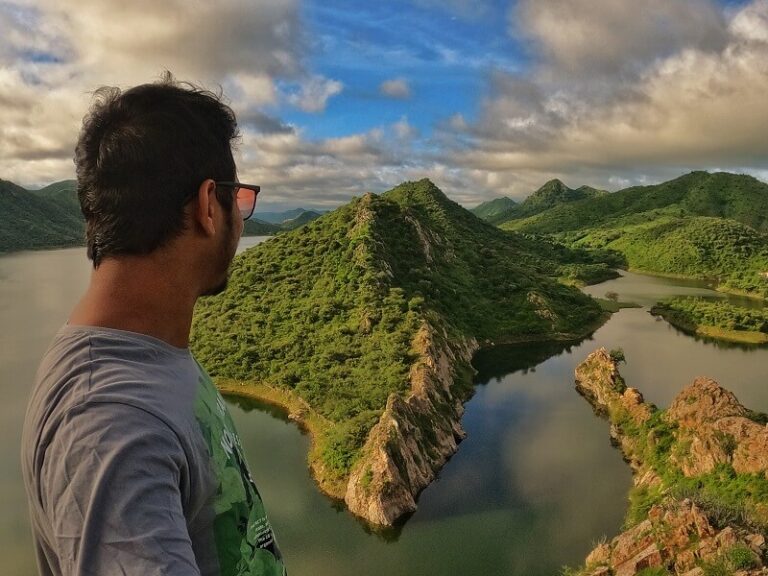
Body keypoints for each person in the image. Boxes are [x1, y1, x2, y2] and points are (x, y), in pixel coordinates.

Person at [21, 75, 287, 576]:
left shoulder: (146, 349)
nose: (242, 218)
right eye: (240, 199)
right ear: (209, 206)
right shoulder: (112, 428)